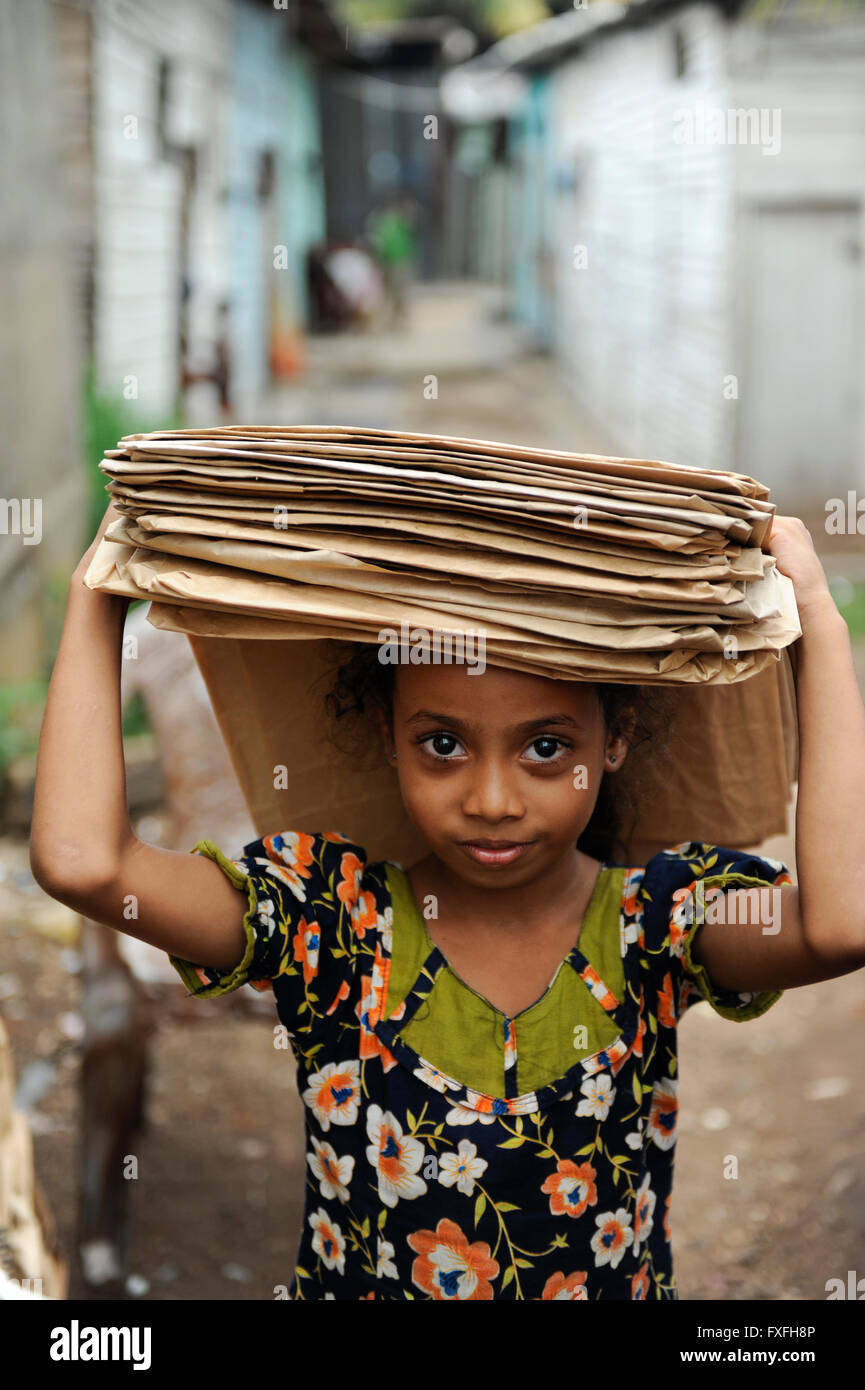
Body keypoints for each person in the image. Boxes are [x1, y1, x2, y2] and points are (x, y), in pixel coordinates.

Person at [29, 502, 865, 1300]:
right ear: (385, 740)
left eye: (545, 748)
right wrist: (97, 592)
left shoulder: (658, 925)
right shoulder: (330, 922)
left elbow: (842, 923)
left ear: (614, 740)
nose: (492, 798)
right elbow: (84, 865)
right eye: (442, 744)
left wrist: (817, 623)